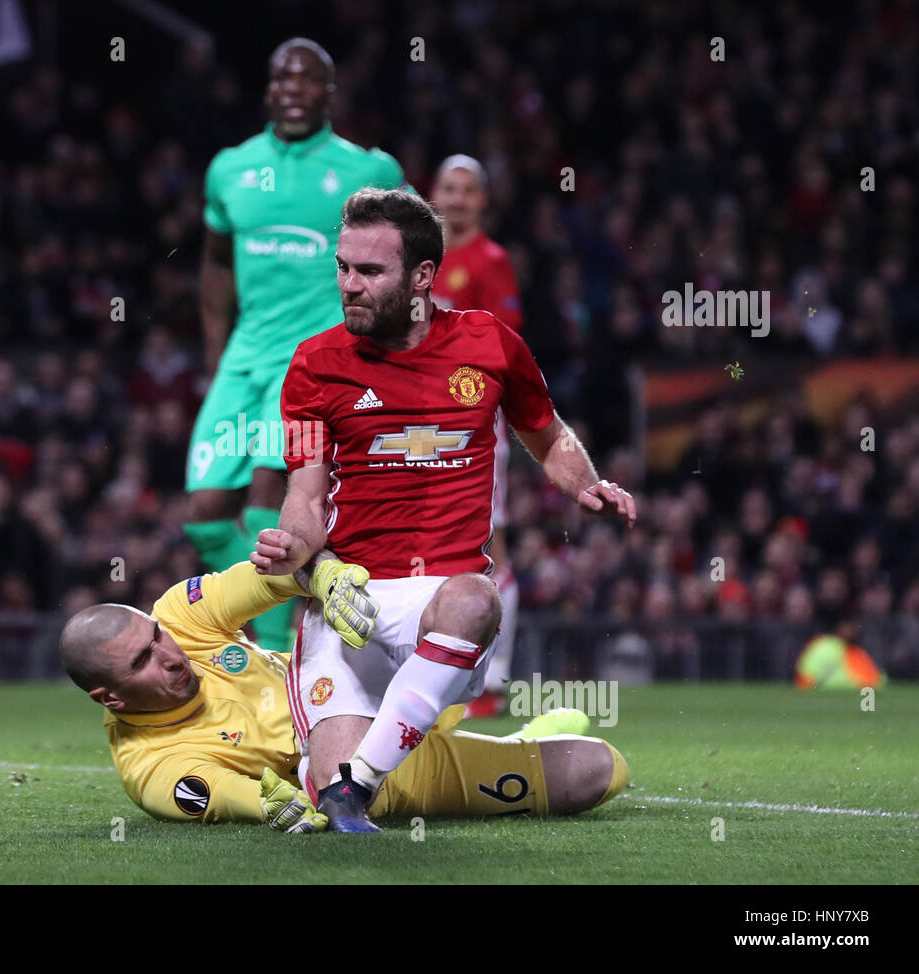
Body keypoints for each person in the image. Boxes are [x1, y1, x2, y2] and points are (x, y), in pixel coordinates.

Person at [255, 188, 637, 831]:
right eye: (343, 267)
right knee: (346, 797)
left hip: (441, 605)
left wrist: (585, 486)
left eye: (370, 271)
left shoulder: (490, 344)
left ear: (422, 276)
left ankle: (357, 782)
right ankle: (403, 761)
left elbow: (548, 434)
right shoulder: (315, 364)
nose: (349, 285)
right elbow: (306, 495)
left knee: (475, 597)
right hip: (350, 602)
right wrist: (294, 545)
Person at [58, 557, 628, 830]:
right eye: (143, 661)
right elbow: (239, 797)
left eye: (155, 637)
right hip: (381, 780)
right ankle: (521, 739)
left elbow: (267, 576)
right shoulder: (150, 767)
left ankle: (474, 705)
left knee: (451, 607)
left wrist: (322, 577)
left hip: (356, 676)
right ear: (111, 699)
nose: (169, 654)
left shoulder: (178, 615)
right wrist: (271, 806)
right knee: (600, 772)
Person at [185, 37, 410, 653]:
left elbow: (413, 247)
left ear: (329, 94)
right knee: (204, 512)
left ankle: (279, 654)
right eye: (282, 78)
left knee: (268, 497)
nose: (293, 89)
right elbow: (215, 262)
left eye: (307, 79)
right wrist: (216, 351)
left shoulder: (368, 171)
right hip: (245, 358)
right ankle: (309, 591)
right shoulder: (229, 169)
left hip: (314, 361)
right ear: (268, 90)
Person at [430, 154, 524, 717]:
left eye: (467, 190)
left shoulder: (490, 261)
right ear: (432, 194)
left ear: (482, 200)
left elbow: (504, 344)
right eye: (449, 188)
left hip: (475, 419)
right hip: (417, 418)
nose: (457, 199)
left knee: (489, 542)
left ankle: (493, 679)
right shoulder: (415, 257)